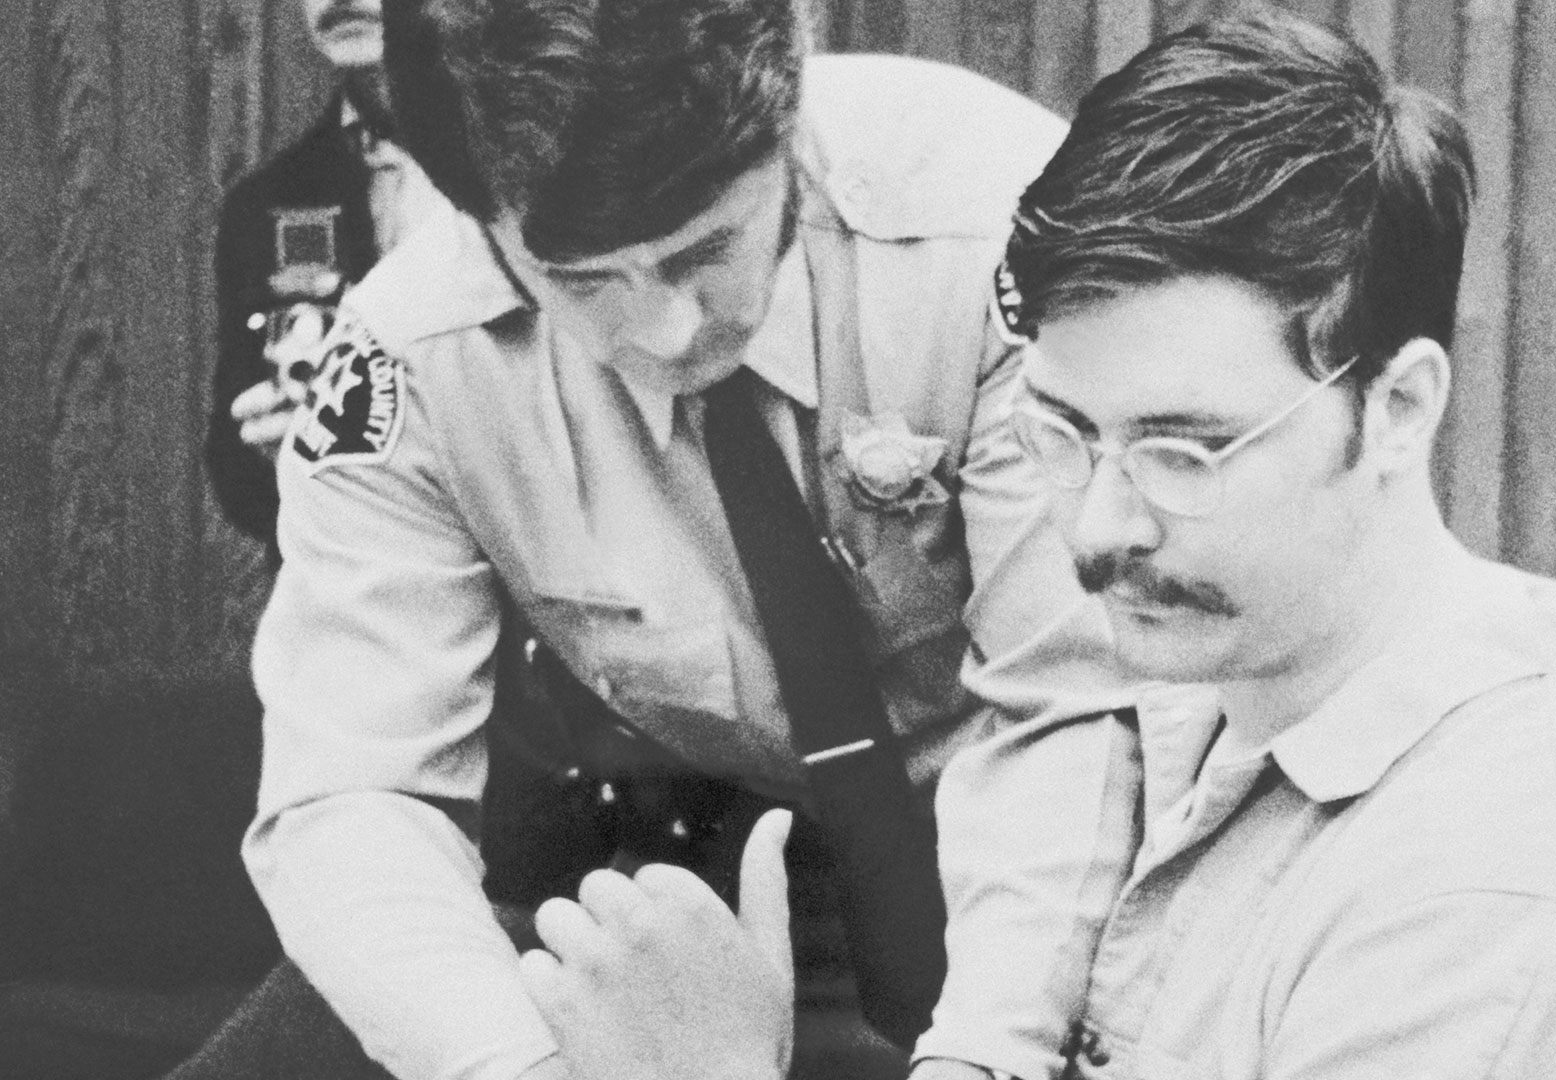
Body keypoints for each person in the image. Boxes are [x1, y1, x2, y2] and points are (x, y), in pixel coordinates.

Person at [517, 11, 1556, 1079]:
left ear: (1399, 407)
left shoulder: (1492, 878)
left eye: (1185, 450)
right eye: (1064, 432)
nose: (1100, 528)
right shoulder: (1192, 713)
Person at [179, 0, 1136, 1078]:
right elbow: (356, 797)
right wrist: (517, 1066)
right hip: (717, 861)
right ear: (481, 225)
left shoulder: (1011, 226)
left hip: (1078, 847)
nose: (669, 330)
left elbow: (1076, 711)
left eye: (706, 249)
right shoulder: (406, 356)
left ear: (787, 115)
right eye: (584, 281)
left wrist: (985, 1059)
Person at [207, 0, 446, 547]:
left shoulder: (538, 171)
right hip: (347, 579)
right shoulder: (268, 200)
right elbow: (234, 469)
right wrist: (284, 456)